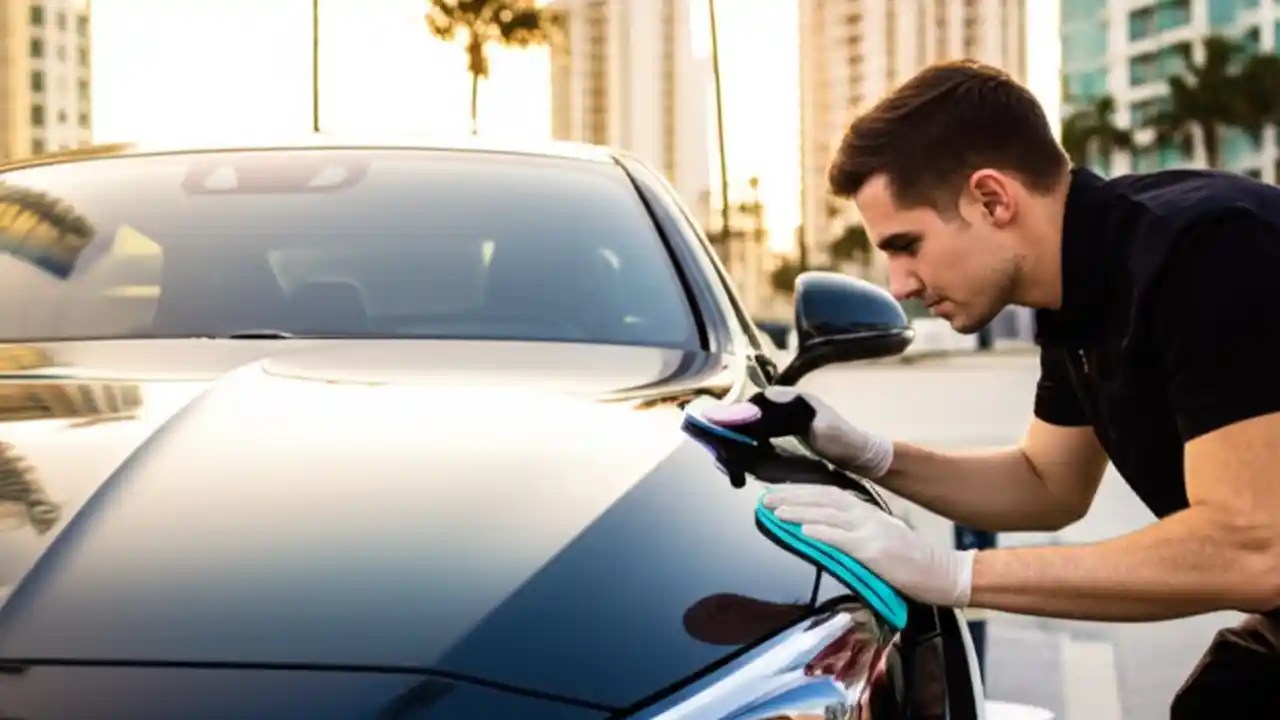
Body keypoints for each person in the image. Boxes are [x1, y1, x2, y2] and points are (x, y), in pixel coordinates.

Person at [728, 59, 1280, 717]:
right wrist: (865, 451)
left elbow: (1256, 546)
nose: (899, 283)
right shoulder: (1082, 287)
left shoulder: (1207, 250)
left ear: (992, 199)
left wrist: (957, 575)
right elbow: (1046, 484)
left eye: (908, 245)